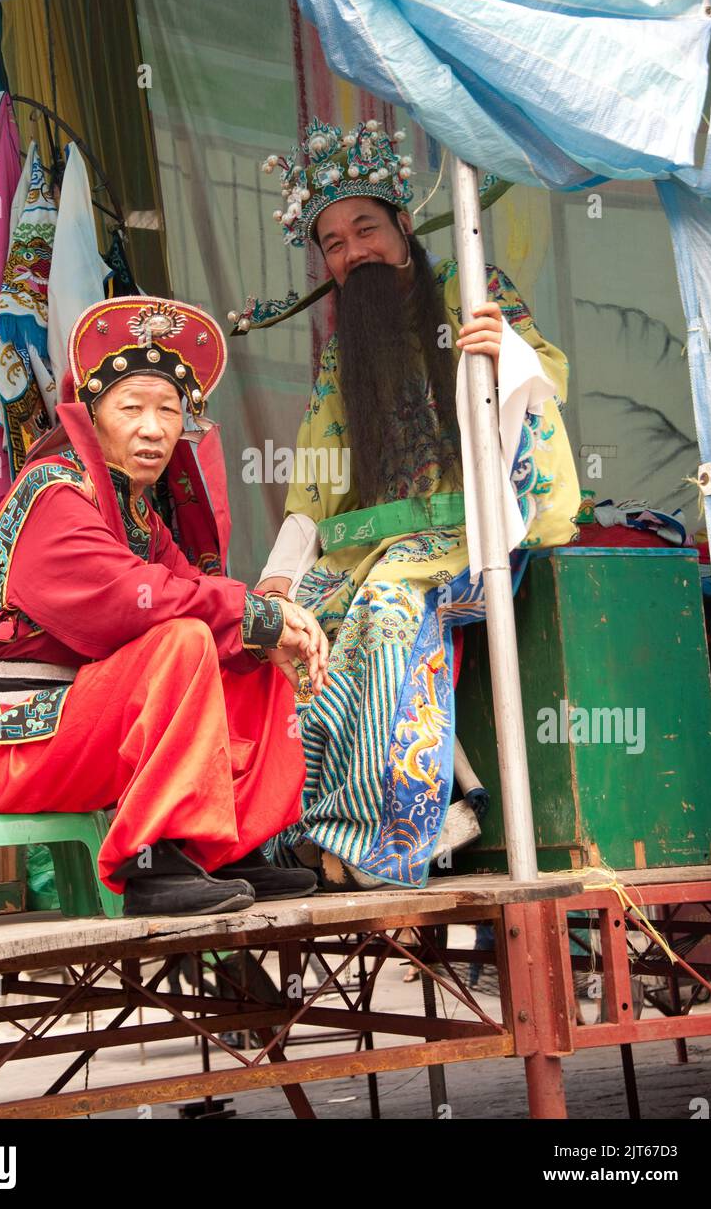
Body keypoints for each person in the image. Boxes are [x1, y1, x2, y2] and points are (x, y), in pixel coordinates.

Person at [0, 295, 330, 917]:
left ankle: (220, 847)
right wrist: (254, 612)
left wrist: (271, 629)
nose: (153, 428)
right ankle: (149, 861)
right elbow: (127, 600)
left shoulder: (138, 516)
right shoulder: (54, 494)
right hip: (9, 745)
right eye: (132, 408)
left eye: (169, 410)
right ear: (92, 417)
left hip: (77, 730)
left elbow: (202, 601)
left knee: (256, 657)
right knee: (183, 640)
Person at [255, 118, 580, 889]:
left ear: (404, 226)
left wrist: (503, 351)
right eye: (332, 243)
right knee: (306, 623)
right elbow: (317, 474)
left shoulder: (473, 289)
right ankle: (307, 825)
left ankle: (389, 832)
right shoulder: (345, 347)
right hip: (381, 540)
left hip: (483, 528)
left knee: (389, 602)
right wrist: (278, 581)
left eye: (364, 228)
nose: (351, 251)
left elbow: (546, 380)